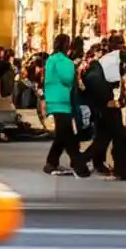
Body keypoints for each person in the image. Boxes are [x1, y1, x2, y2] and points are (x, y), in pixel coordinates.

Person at [81, 35, 126, 181]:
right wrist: (118, 101)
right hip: (108, 103)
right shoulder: (117, 57)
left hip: (102, 101)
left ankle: (82, 160)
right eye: (120, 43)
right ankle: (121, 169)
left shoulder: (106, 57)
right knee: (120, 136)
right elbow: (117, 82)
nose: (122, 46)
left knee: (104, 137)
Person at [43, 34, 90, 177]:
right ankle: (78, 164)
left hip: (52, 100)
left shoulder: (50, 59)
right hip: (63, 101)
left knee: (62, 133)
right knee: (67, 134)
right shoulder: (66, 62)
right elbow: (68, 79)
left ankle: (52, 161)